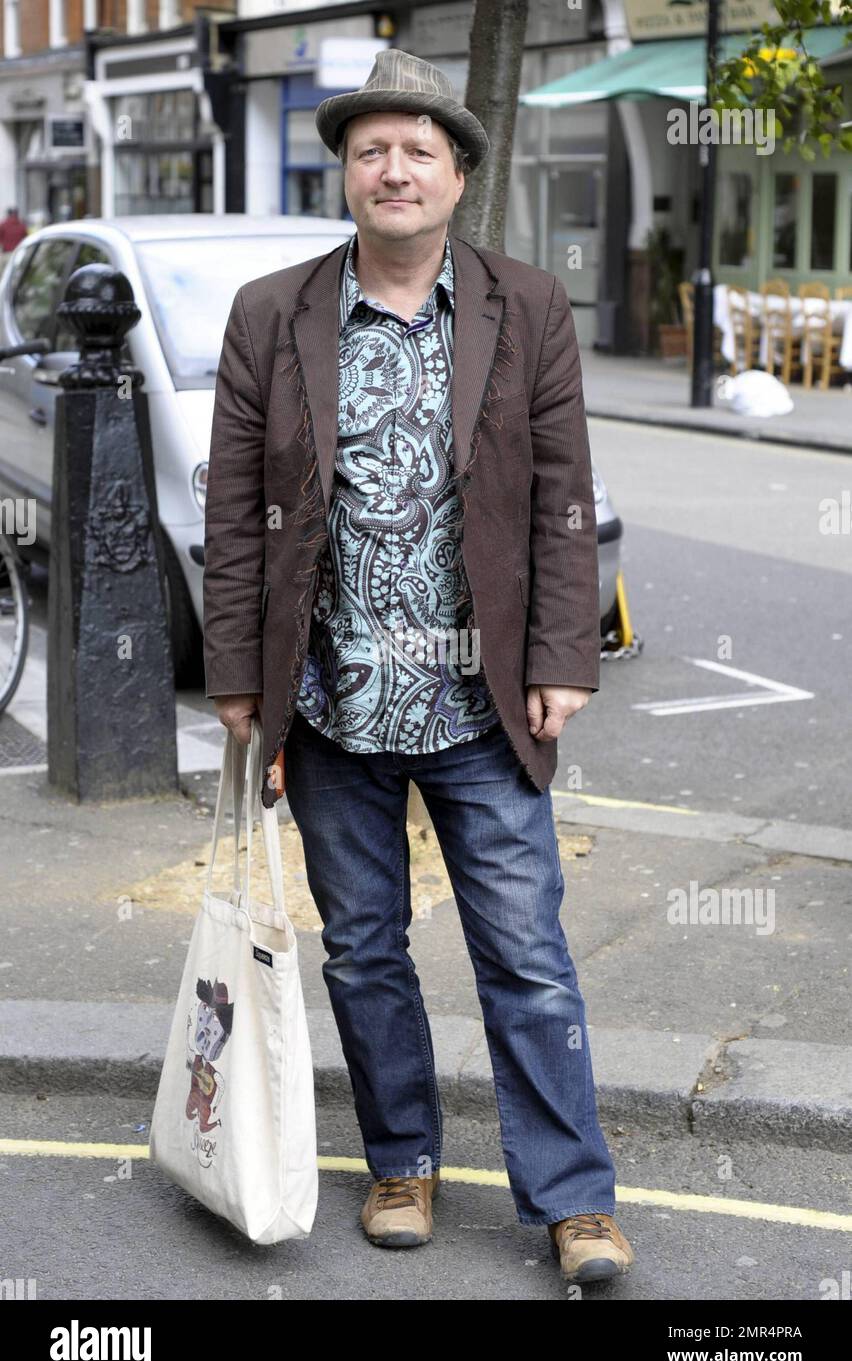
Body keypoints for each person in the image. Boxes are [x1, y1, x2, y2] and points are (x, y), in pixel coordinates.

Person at [203, 48, 635, 1286]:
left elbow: (562, 496)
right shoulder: (271, 312)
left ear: (458, 174)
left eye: (418, 151)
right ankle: (401, 1160)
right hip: (332, 699)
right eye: (371, 150)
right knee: (367, 948)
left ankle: (573, 1196)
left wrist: (566, 655)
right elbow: (238, 510)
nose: (394, 170)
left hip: (480, 703)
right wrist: (242, 682)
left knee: (527, 949)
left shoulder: (528, 306)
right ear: (346, 171)